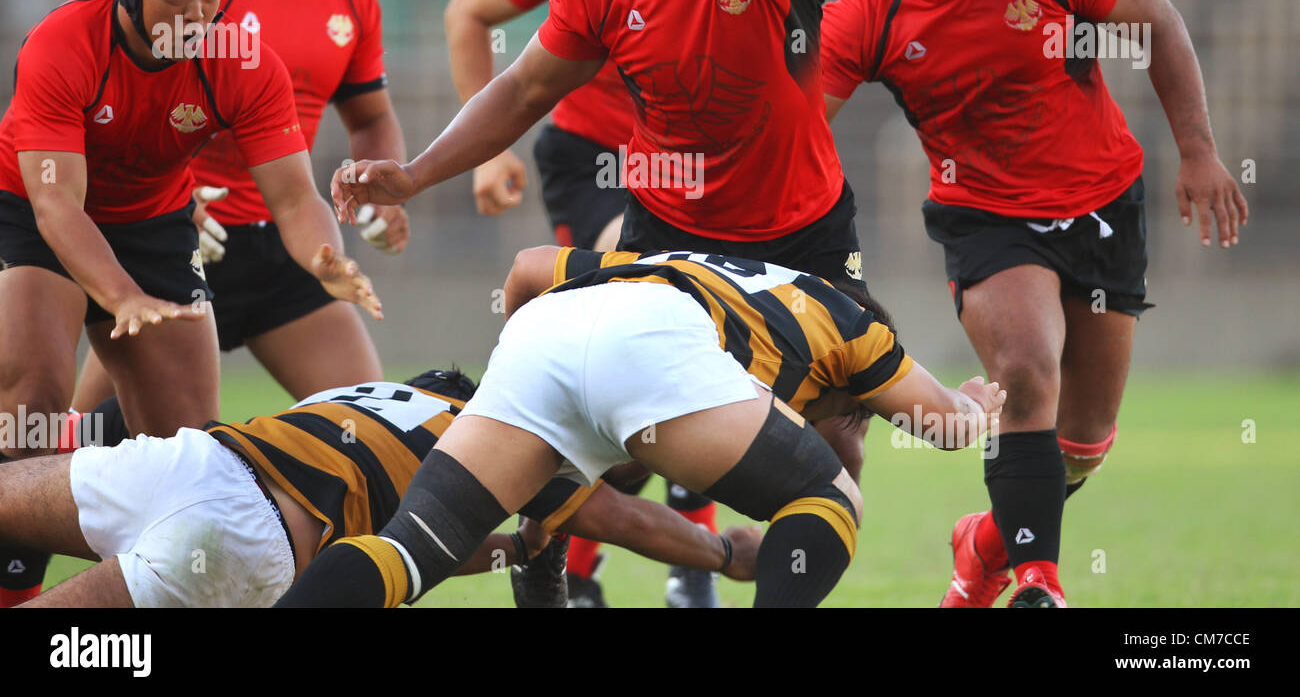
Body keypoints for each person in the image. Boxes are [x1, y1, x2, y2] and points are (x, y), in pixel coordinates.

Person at [332, 0, 981, 602]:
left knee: (840, 456)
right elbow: (524, 89)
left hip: (802, 232)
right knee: (623, 425)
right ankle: (558, 551)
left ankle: (685, 565)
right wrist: (417, 173)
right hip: (670, 235)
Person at [820, 0, 1249, 607]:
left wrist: (1197, 151)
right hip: (986, 216)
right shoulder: (869, 9)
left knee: (1081, 445)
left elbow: (1157, 24)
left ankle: (983, 544)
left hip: (1103, 203)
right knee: (1023, 370)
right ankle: (1037, 584)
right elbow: (800, 126)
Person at [444, 0, 771, 608]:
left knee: (698, 345)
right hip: (598, 161)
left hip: (709, 170)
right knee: (621, 338)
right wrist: (485, 156)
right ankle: (575, 571)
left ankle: (681, 566)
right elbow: (469, 14)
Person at [0, 0, 380, 605]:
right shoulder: (63, 43)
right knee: (31, 403)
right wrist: (118, 297)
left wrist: (326, 258)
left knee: (189, 455)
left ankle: (124, 578)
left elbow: (295, 199)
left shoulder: (241, 61)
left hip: (153, 222)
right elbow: (57, 203)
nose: (194, 13)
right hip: (34, 211)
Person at [275, 249, 1004, 608]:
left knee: (406, 555)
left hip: (550, 332)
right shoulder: (853, 324)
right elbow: (940, 426)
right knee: (830, 498)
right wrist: (973, 401)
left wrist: (528, 396)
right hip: (654, 339)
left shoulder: (705, 269)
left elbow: (529, 267)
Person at [76, 0, 407, 414]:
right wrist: (167, 202)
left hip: (287, 246)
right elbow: (125, 95)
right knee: (86, 441)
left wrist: (384, 187)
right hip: (183, 239)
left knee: (370, 425)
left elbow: (370, 116)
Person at [0, 369, 759, 607]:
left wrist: (512, 552)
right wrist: (724, 550)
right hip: (246, 542)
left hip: (186, 463)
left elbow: (428, 538)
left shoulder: (376, 393)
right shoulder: (498, 440)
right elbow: (620, 518)